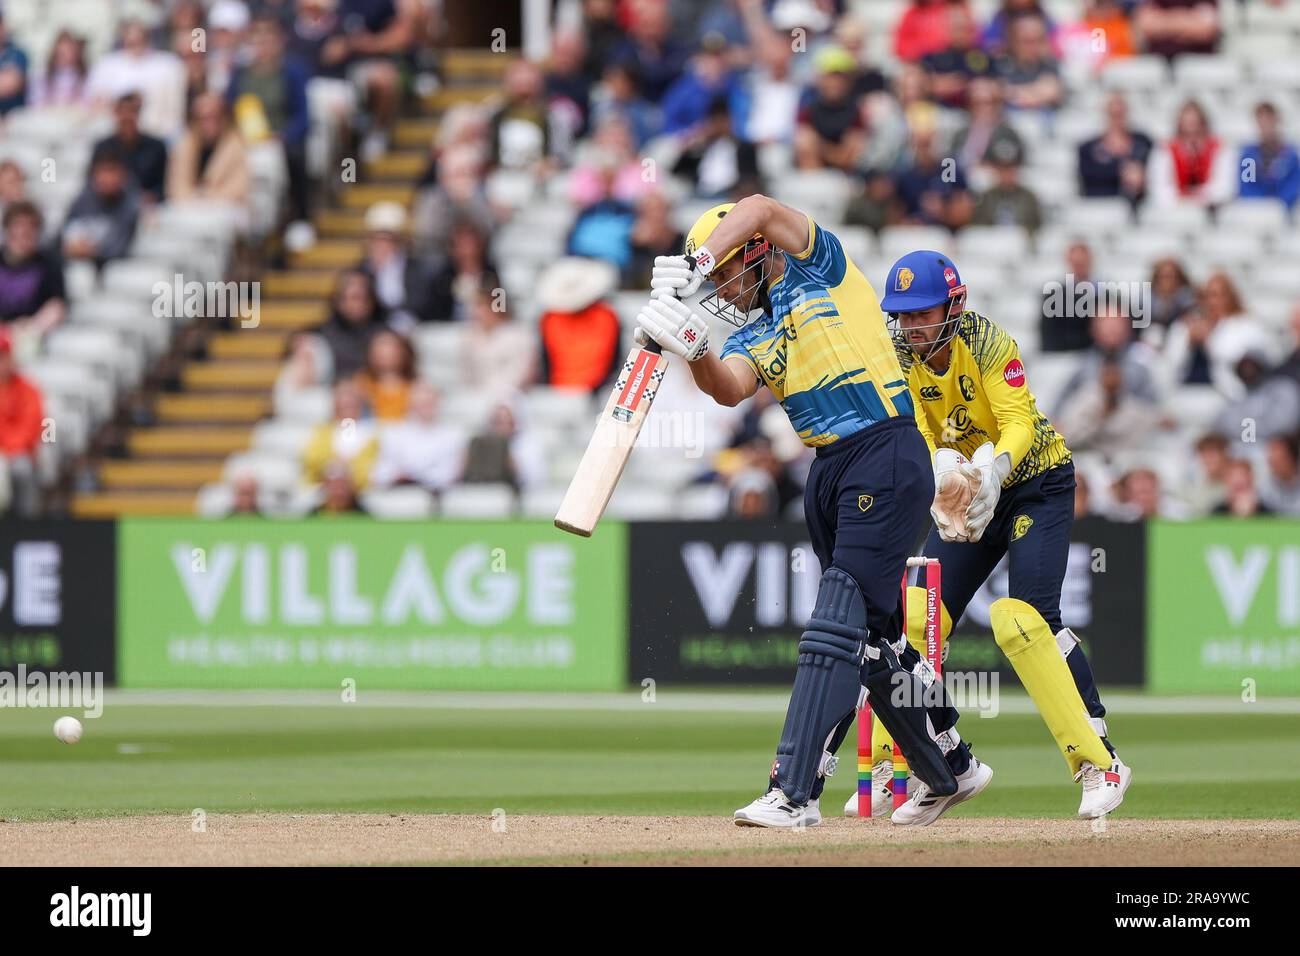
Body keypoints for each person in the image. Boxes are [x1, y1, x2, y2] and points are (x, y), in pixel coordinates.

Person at [637, 196, 990, 828]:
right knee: (873, 643)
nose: (720, 289)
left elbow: (762, 206)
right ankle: (950, 766)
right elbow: (730, 387)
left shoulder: (820, 265)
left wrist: (695, 261)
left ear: (754, 253)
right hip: (826, 471)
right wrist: (690, 346)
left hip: (882, 449)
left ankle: (793, 793)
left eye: (723, 276)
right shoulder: (755, 329)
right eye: (710, 284)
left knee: (833, 625)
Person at [873, 249, 1132, 819]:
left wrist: (994, 470)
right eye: (904, 314)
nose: (912, 325)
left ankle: (1100, 761)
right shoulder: (897, 352)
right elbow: (914, 421)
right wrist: (944, 473)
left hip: (1034, 480)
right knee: (915, 617)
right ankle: (941, 768)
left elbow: (1015, 421)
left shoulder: (988, 342)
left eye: (923, 312)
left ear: (954, 305)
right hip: (968, 486)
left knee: (1027, 616)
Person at [166, 92, 251, 208]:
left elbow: (240, 189)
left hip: (224, 209)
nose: (209, 124)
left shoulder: (237, 146)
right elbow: (176, 187)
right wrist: (194, 199)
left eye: (214, 117)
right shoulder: (184, 145)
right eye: (203, 118)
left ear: (224, 117)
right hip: (189, 209)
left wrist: (207, 196)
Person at [61, 147, 140, 268]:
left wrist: (92, 251)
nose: (107, 178)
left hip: (112, 272)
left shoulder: (130, 206)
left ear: (123, 176)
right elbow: (59, 237)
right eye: (102, 172)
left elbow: (120, 248)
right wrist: (69, 247)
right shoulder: (83, 201)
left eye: (112, 171)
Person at [0, 203, 66, 345]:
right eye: (18, 225)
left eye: (30, 227)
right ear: (7, 230)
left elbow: (57, 306)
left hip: (32, 334)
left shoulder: (49, 263)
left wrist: (32, 327)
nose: (24, 231)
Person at [1077, 92, 1152, 205]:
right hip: (1100, 207)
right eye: (1113, 113)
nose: (1117, 117)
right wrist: (1122, 172)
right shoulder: (1088, 148)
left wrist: (1141, 176)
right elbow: (1088, 178)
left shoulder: (1143, 142)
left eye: (1120, 112)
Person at [93, 92, 169, 204]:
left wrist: (152, 196)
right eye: (122, 111)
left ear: (138, 114)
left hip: (145, 208)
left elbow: (163, 186)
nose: (126, 116)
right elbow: (92, 183)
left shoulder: (156, 147)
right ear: (115, 114)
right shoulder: (102, 147)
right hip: (107, 205)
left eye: (131, 111)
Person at [0, 328, 42, 516]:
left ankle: (25, 526)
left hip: (17, 453)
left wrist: (8, 450)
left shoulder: (29, 390)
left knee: (21, 468)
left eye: (2, 356)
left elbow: (33, 426)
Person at [1239, 102, 1300, 211]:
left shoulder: (1290, 154)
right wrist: (1263, 204)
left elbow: (1293, 185)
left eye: (1269, 120)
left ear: (1276, 121)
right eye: (1262, 122)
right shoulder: (1249, 156)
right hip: (1257, 210)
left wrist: (1278, 203)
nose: (1266, 126)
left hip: (1283, 210)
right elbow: (1247, 186)